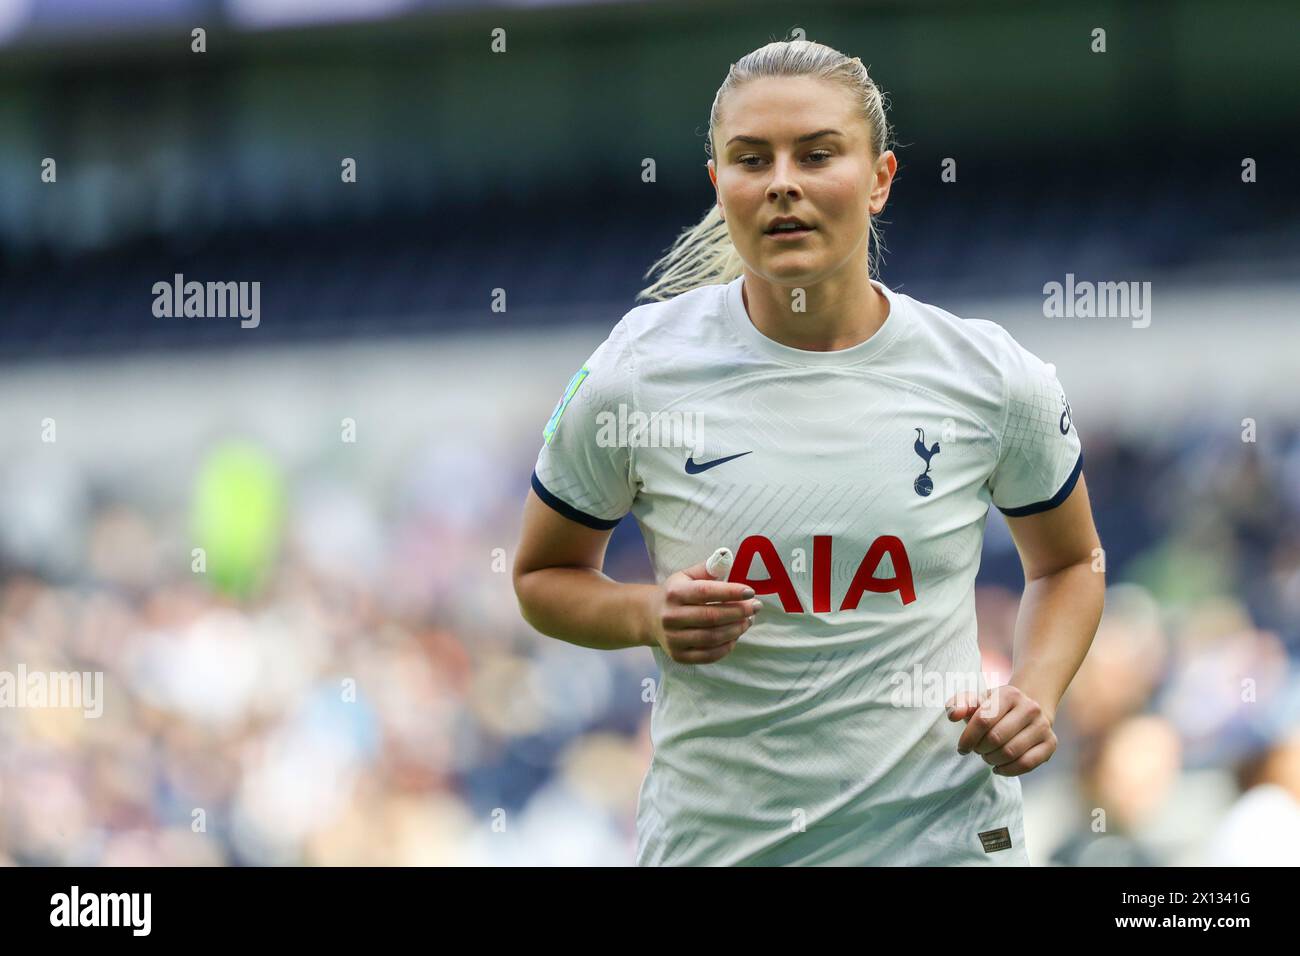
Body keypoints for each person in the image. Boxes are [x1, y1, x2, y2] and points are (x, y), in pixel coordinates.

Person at [513, 38, 1105, 866]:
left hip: (945, 843)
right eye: (751, 159)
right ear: (720, 187)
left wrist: (1034, 694)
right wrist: (646, 612)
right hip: (723, 847)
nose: (782, 181)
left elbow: (1072, 564)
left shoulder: (991, 377)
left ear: (880, 179)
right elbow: (541, 576)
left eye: (817, 153)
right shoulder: (637, 372)